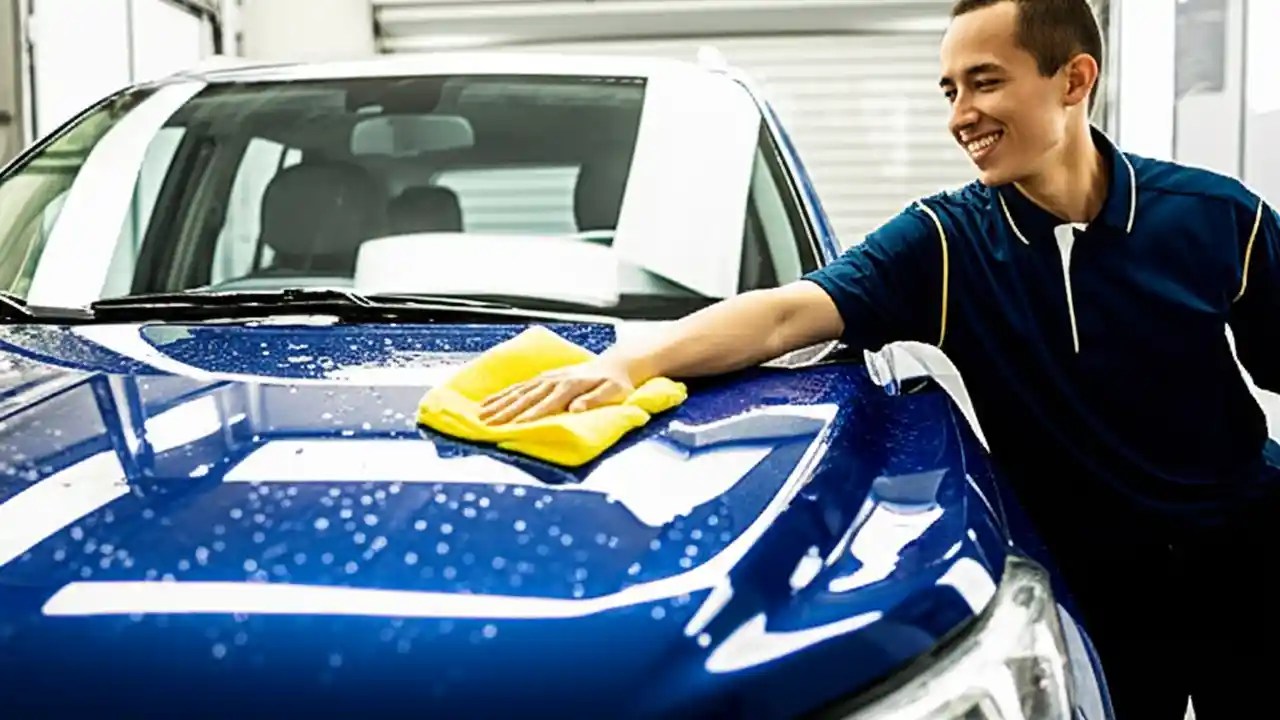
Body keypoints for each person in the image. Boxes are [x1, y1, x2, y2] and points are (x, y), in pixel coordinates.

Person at [480, 0, 1279, 716]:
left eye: (985, 82)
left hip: (1244, 563)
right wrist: (633, 362)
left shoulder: (1218, 220)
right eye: (950, 90)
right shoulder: (946, 245)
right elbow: (785, 314)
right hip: (1095, 588)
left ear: (1073, 80)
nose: (961, 115)